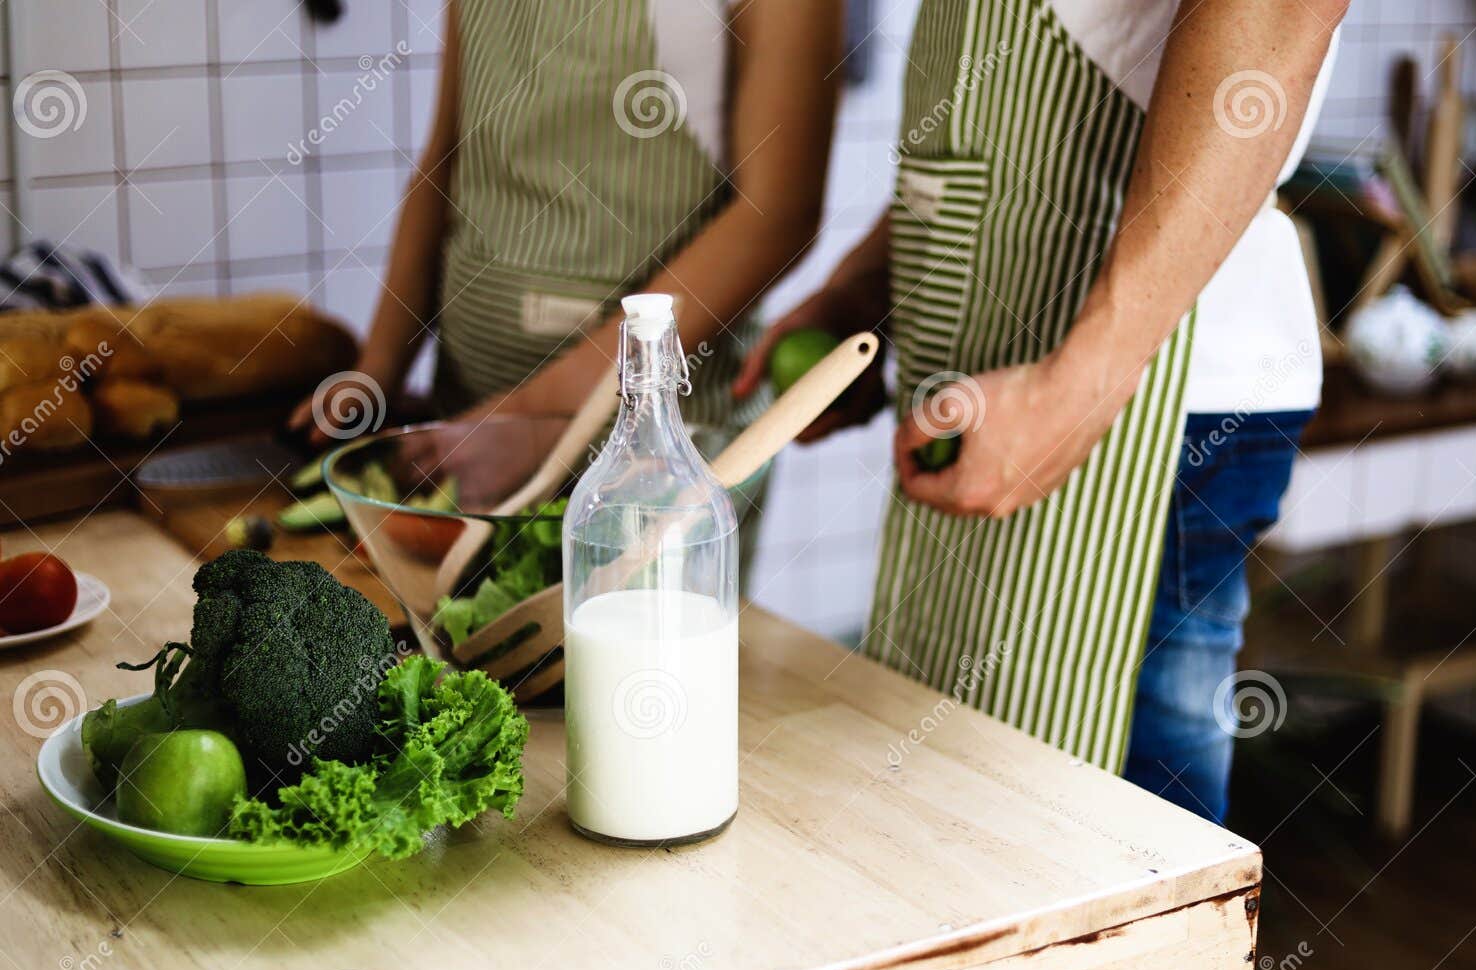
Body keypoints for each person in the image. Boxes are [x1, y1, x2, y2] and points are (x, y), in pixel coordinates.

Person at [736, 0, 1344, 797]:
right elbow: (1019, 128)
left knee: (1114, 852)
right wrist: (868, 281)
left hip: (1151, 407)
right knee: (965, 805)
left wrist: (1090, 377)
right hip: (992, 391)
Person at [291, 0, 841, 445]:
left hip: (657, 450)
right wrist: (379, 369)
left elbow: (778, 219)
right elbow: (449, 159)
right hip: (466, 420)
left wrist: (538, 411)